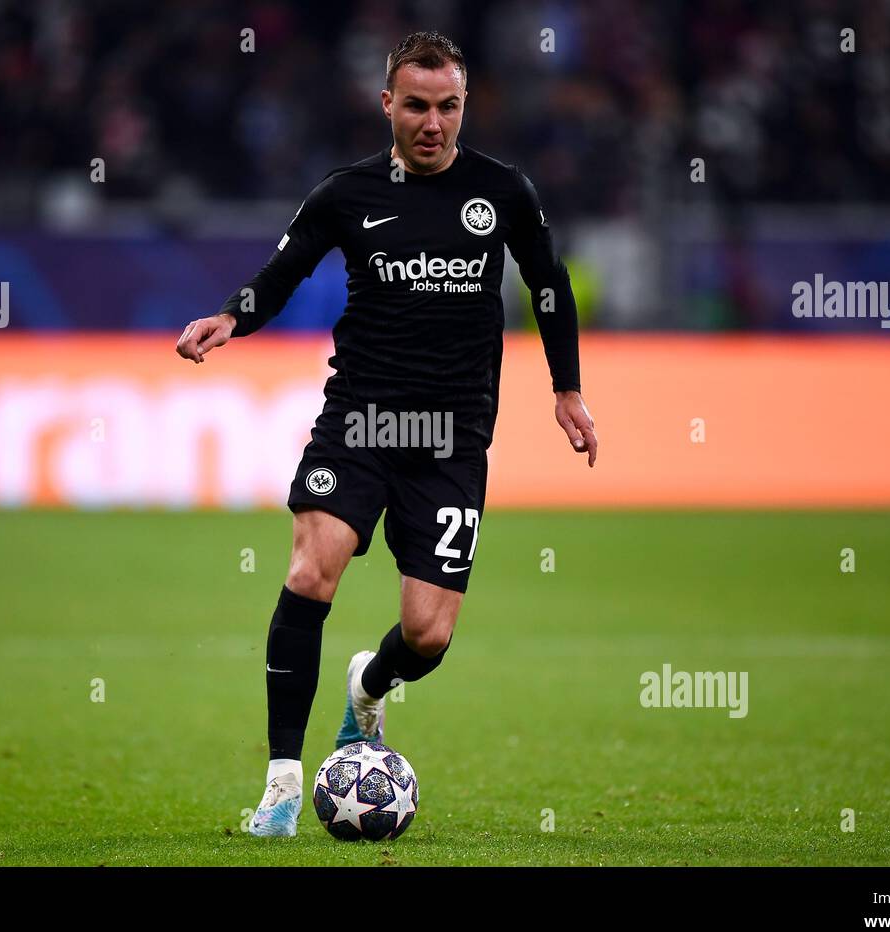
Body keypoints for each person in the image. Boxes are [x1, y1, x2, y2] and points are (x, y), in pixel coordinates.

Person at [175, 31, 597, 837]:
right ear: (387, 105)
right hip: (361, 420)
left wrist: (566, 389)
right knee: (311, 571)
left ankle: (367, 686)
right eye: (416, 106)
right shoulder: (346, 194)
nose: (432, 123)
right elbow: (285, 269)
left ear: (464, 105)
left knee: (427, 636)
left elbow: (549, 283)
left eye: (448, 107)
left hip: (452, 434)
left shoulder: (502, 191)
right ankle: (282, 784)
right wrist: (235, 315)